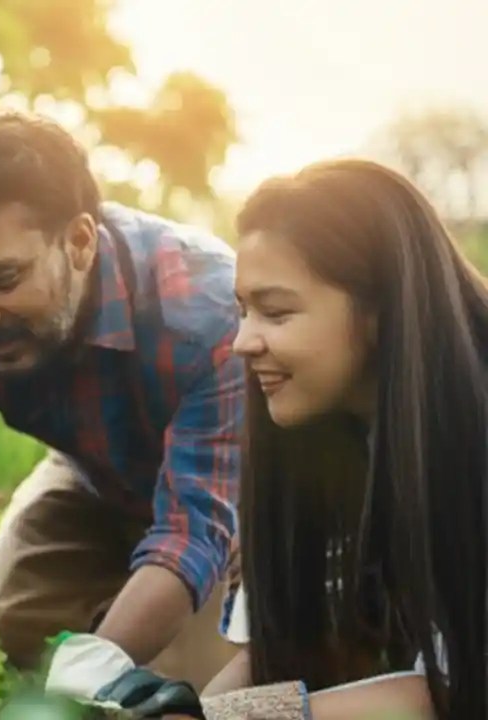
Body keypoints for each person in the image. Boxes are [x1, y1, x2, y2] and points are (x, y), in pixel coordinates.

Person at [0, 111, 244, 720]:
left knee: (168, 693)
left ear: (81, 241)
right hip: (90, 480)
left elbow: (193, 527)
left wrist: (107, 656)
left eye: (2, 279)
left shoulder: (204, 307)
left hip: (232, 507)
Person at [196, 158, 488, 720]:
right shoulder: (312, 433)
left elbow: (459, 684)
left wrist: (243, 717)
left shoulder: (471, 436)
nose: (242, 341)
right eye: (242, 310)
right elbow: (275, 651)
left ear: (378, 309)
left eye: (276, 312)